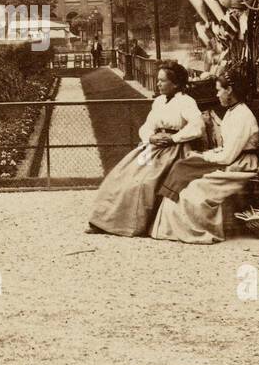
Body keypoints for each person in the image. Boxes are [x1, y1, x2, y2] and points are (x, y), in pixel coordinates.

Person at [86, 61, 204, 237]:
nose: (158, 84)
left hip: (174, 150)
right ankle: (104, 221)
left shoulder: (185, 101)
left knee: (143, 182)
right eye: (158, 80)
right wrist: (150, 137)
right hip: (155, 146)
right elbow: (146, 126)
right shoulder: (159, 102)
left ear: (176, 83)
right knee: (121, 175)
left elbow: (197, 126)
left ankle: (133, 224)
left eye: (162, 81)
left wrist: (173, 138)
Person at [151, 68, 259, 244]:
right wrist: (203, 154)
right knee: (183, 170)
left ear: (229, 91)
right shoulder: (233, 112)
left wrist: (204, 157)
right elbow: (226, 150)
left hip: (242, 166)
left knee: (192, 189)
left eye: (219, 90)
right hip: (232, 160)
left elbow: (227, 157)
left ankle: (195, 231)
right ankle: (170, 230)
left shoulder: (243, 116)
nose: (217, 95)